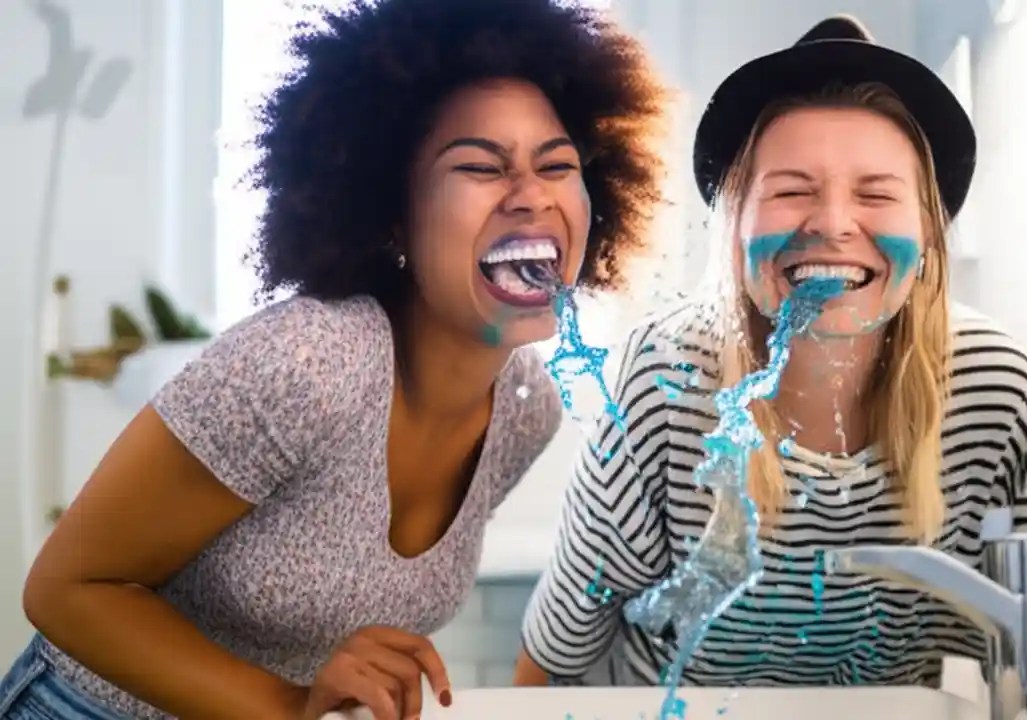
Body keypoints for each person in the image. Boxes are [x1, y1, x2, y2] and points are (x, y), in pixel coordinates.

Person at [0, 1, 667, 718]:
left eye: (557, 165)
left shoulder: (528, 410)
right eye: (480, 165)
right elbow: (65, 590)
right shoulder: (311, 362)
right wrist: (289, 704)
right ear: (392, 213)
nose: (532, 196)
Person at [514, 15, 1027, 689]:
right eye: (792, 191)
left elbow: (1019, 656)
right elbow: (554, 653)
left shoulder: (992, 387)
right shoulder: (664, 379)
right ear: (735, 227)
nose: (831, 222)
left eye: (876, 193)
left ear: (929, 234)